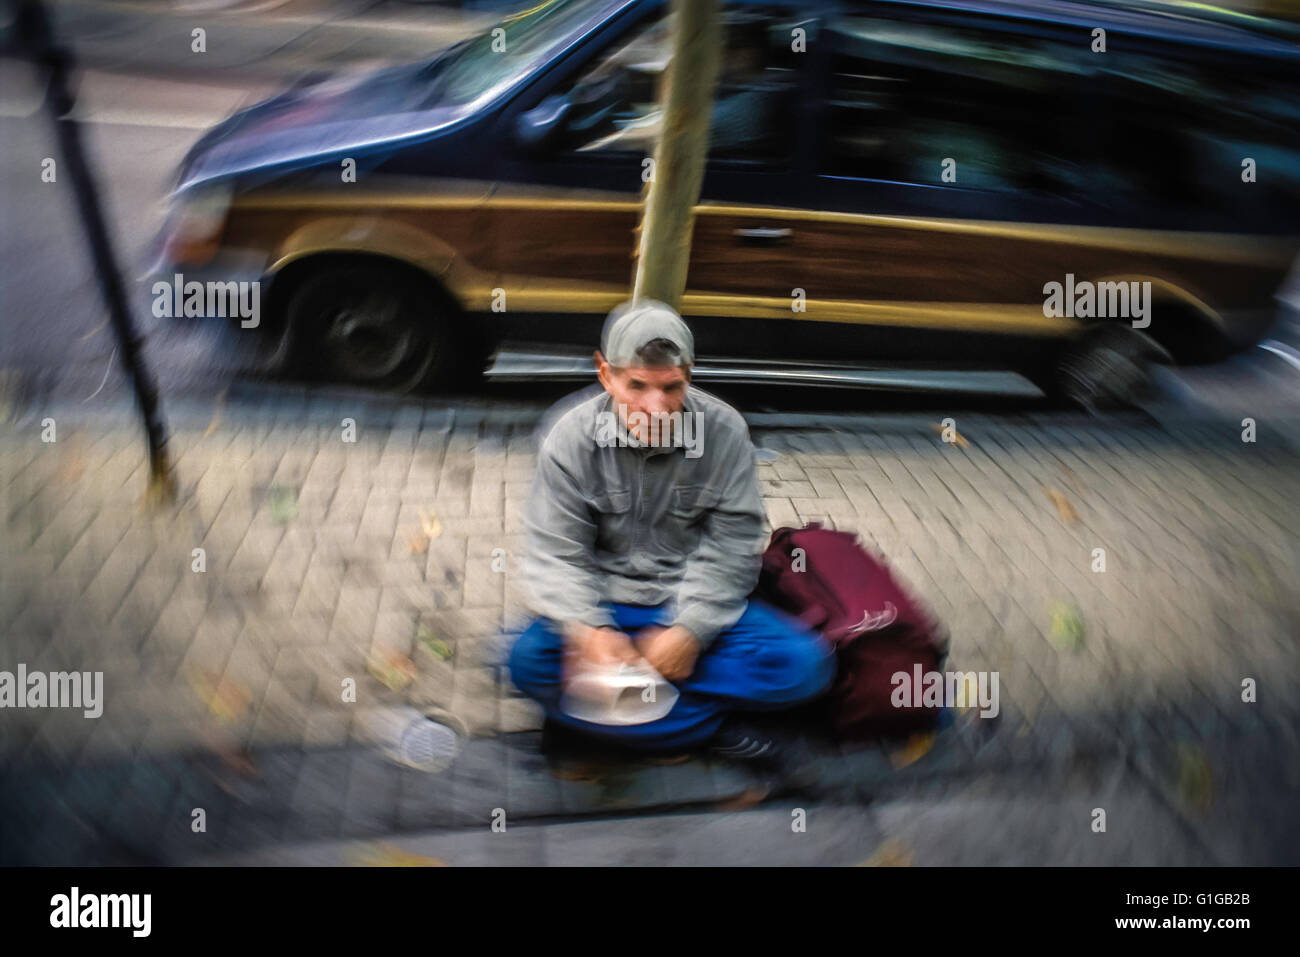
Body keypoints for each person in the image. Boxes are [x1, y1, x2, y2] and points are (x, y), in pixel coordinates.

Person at [507, 299, 835, 775]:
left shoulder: (724, 432)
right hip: (607, 607)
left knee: (807, 666)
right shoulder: (569, 438)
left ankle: (604, 722)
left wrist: (690, 631)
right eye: (636, 386)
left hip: (691, 603)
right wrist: (588, 630)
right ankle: (709, 730)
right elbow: (555, 554)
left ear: (689, 375)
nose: (655, 408)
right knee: (524, 662)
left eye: (671, 387)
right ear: (605, 374)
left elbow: (733, 547)